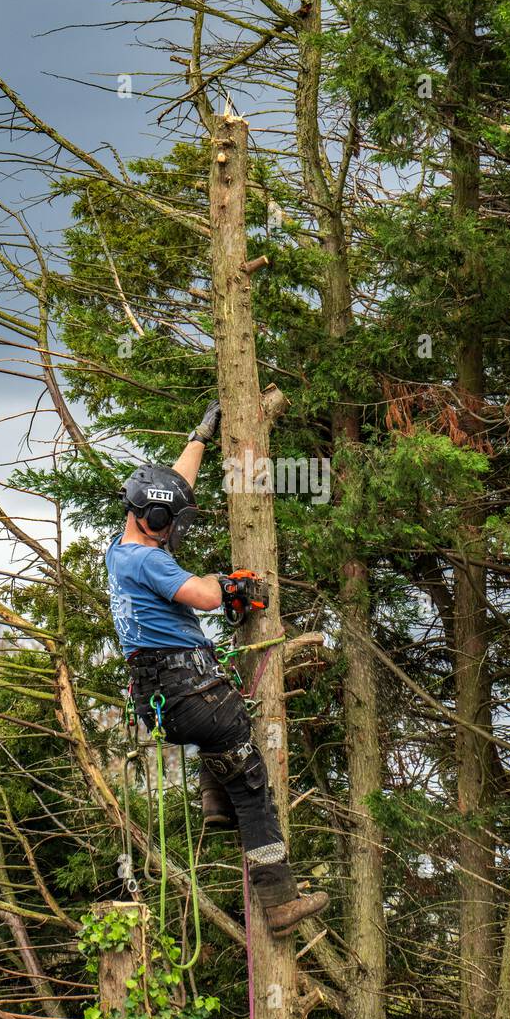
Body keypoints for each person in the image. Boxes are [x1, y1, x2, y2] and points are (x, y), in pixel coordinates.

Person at [105, 399, 329, 939]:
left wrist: (200, 436)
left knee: (222, 743)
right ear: (153, 520)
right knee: (252, 780)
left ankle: (214, 804)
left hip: (161, 700)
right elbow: (204, 597)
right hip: (193, 692)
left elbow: (170, 487)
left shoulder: (120, 547)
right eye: (169, 520)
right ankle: (277, 902)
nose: (173, 526)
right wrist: (231, 586)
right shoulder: (151, 560)